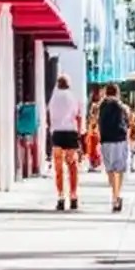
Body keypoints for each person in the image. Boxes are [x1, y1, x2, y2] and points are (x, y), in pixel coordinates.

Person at [46, 75, 82, 211]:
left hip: (57, 133)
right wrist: (79, 134)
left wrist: (51, 130)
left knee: (58, 167)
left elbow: (49, 117)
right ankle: (73, 196)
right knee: (72, 166)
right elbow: (77, 116)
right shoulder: (73, 97)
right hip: (70, 132)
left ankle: (60, 197)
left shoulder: (53, 98)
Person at [96, 83, 131, 212]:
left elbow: (96, 121)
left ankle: (115, 195)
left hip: (106, 141)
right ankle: (117, 196)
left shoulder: (101, 106)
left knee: (110, 169)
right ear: (117, 93)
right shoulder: (121, 106)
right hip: (119, 140)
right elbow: (128, 120)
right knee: (119, 169)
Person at [15, 99, 39, 179]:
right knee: (27, 147)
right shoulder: (33, 108)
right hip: (30, 129)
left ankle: (24, 171)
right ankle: (26, 171)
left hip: (22, 129)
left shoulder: (22, 107)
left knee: (24, 148)